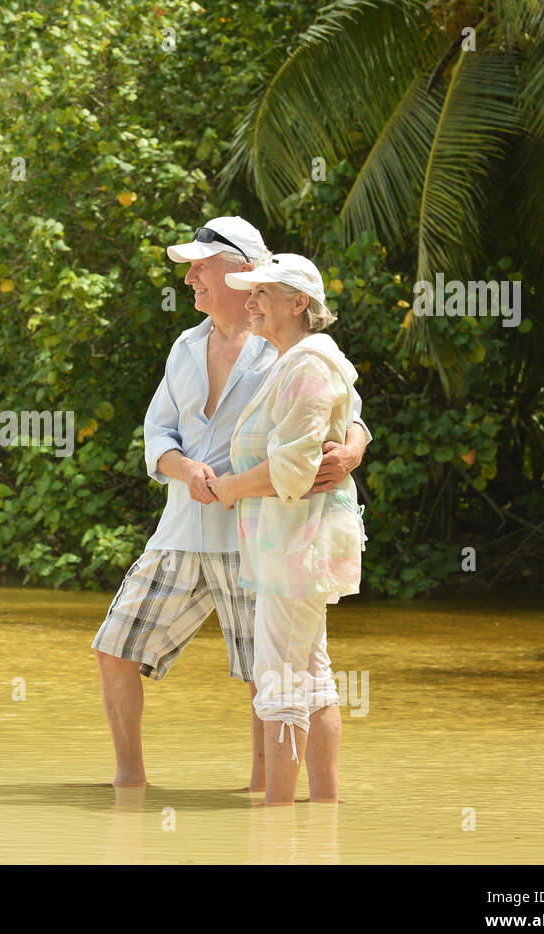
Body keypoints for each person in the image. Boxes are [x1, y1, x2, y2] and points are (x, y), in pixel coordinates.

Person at [92, 217, 371, 789]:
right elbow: (157, 435)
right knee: (114, 648)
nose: (190, 277)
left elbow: (349, 411)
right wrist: (185, 469)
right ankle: (130, 782)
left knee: (270, 675)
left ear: (242, 270)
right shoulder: (185, 347)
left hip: (259, 536)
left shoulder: (285, 344)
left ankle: (264, 796)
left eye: (201, 265)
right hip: (182, 530)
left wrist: (353, 451)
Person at [208, 253, 367, 805]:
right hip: (291, 542)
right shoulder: (295, 359)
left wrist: (229, 488)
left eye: (261, 293)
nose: (249, 302)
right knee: (312, 675)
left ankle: (274, 823)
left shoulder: (308, 364)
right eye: (249, 293)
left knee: (278, 677)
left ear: (299, 303)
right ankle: (323, 815)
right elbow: (349, 420)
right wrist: (355, 443)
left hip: (297, 544)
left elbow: (293, 471)